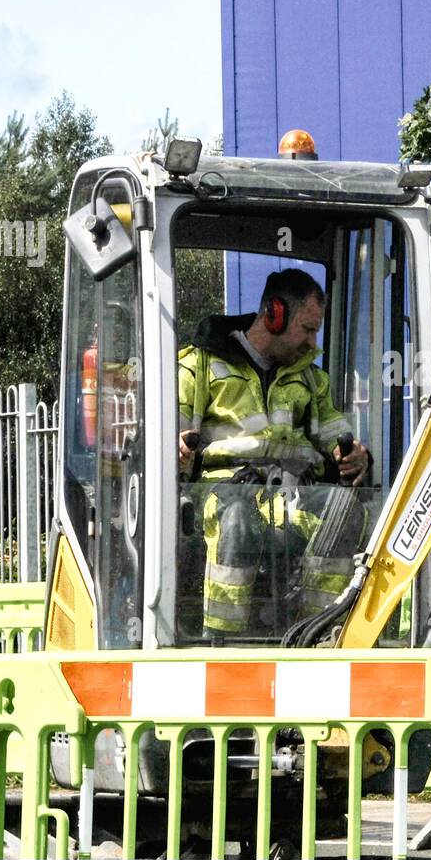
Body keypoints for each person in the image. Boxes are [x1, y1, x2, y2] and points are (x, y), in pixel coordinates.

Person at [177, 268, 371, 638]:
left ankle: (317, 635)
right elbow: (173, 437)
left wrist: (354, 454)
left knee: (347, 511)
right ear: (274, 314)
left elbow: (333, 430)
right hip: (222, 498)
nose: (314, 343)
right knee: (237, 520)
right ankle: (224, 644)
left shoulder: (309, 379)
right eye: (308, 329)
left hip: (292, 500)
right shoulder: (199, 365)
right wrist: (178, 451)